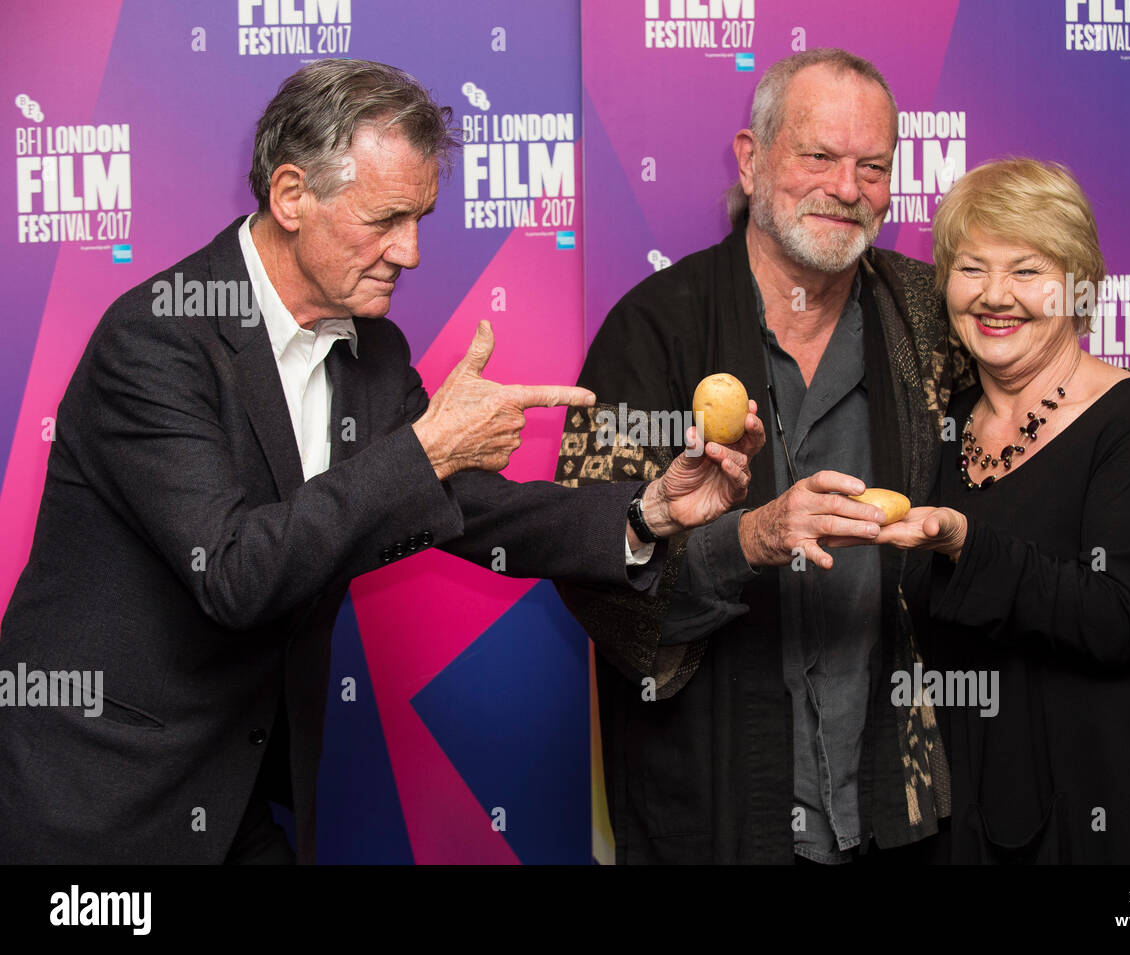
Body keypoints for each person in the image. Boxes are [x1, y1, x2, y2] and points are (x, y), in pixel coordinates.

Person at [0, 59, 761, 864]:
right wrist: (426, 447)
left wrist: (648, 512)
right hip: (94, 796)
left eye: (422, 217)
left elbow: (466, 503)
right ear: (292, 196)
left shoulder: (372, 349)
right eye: (387, 218)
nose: (413, 251)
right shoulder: (156, 339)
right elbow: (232, 572)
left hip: (232, 791)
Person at [554, 48, 1130, 864]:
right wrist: (742, 542)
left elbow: (1051, 371)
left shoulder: (924, 315)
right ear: (751, 156)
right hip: (718, 805)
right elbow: (589, 553)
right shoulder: (652, 330)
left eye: (873, 166)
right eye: (820, 156)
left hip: (905, 817)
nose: (847, 187)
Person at [874, 158, 1130, 863]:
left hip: (1127, 813)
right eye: (971, 267)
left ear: (1078, 286)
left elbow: (1116, 617)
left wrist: (967, 544)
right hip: (986, 813)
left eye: (1027, 270)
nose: (995, 295)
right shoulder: (945, 423)